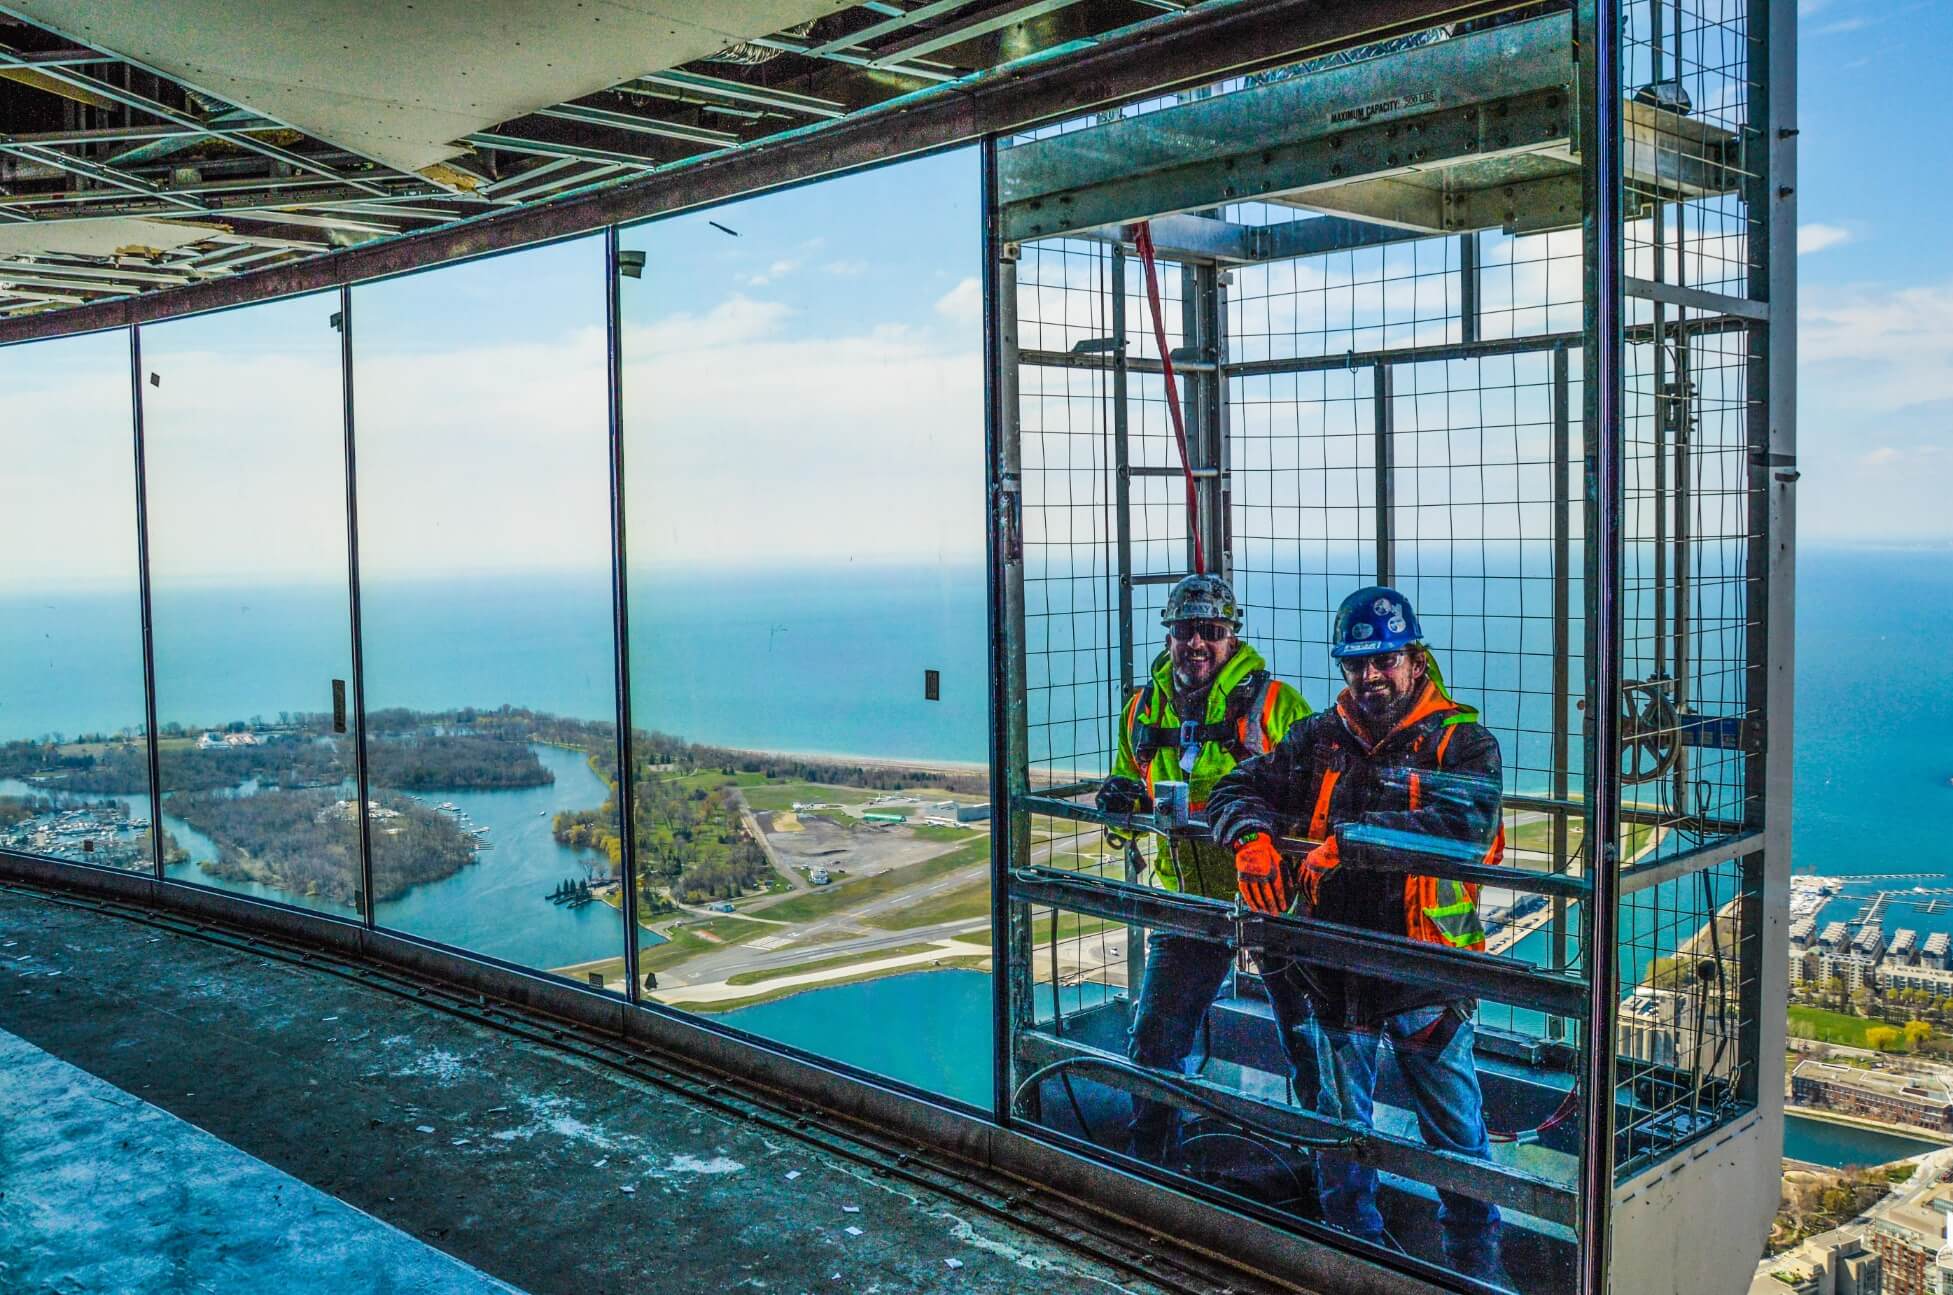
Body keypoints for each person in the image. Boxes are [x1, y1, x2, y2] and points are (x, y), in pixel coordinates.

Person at [1205, 585, 1508, 1282]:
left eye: (1383, 661)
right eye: (1354, 664)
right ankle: (1355, 1271)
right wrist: (1248, 836)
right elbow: (1235, 786)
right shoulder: (1319, 737)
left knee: (1457, 1150)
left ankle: (1478, 1276)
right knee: (1339, 1146)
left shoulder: (1461, 742)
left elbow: (1464, 831)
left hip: (1424, 977)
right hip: (1336, 977)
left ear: (1412, 657)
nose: (1368, 677)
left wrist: (1348, 843)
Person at [1095, 572, 1316, 1164]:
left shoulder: (1277, 707)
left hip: (1276, 902)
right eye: (1186, 631)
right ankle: (1152, 1182)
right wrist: (1120, 808)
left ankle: (1331, 1192)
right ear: (1169, 637)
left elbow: (1316, 797)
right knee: (1154, 1048)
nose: (1197, 644)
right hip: (1188, 902)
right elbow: (1133, 805)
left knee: (1310, 1049)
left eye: (1211, 632)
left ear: (1232, 637)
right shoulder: (1143, 711)